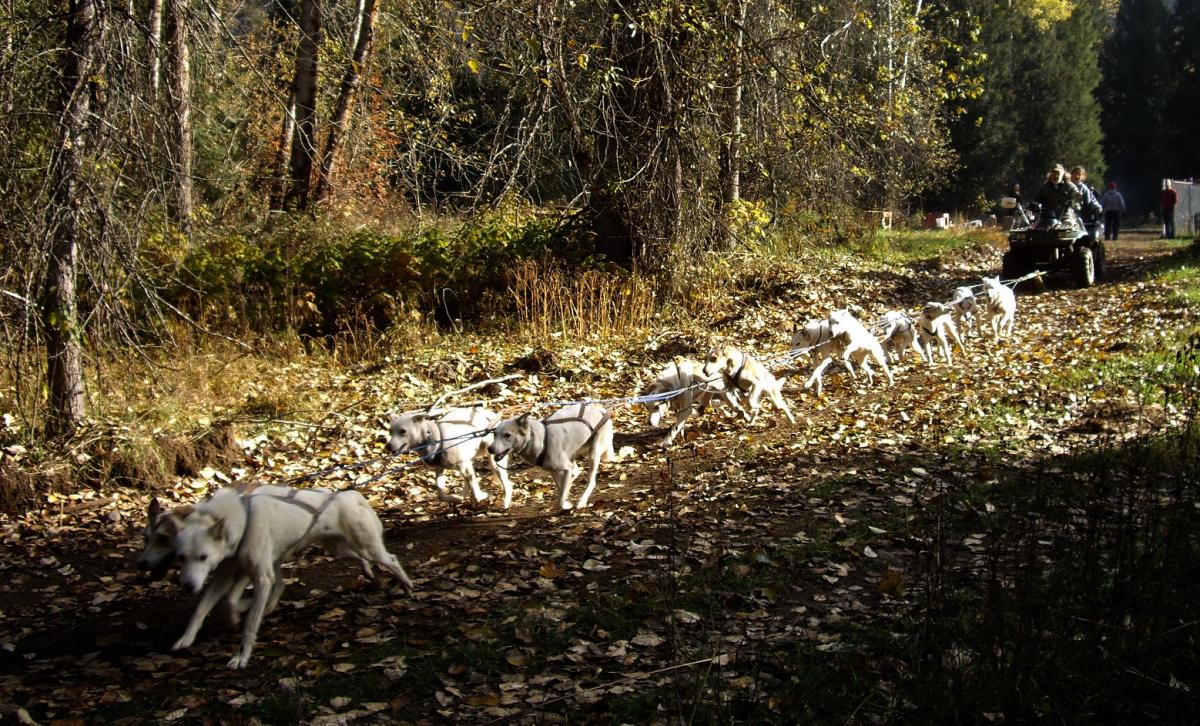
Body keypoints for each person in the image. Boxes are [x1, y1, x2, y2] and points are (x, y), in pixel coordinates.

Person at [1071, 166, 1103, 239]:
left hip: (1079, 215)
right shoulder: (1066, 186)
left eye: (1079, 174)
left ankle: (1084, 238)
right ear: (1071, 175)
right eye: (1075, 174)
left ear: (1083, 177)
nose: (1077, 176)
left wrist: (1097, 208)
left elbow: (1091, 200)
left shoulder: (1084, 188)